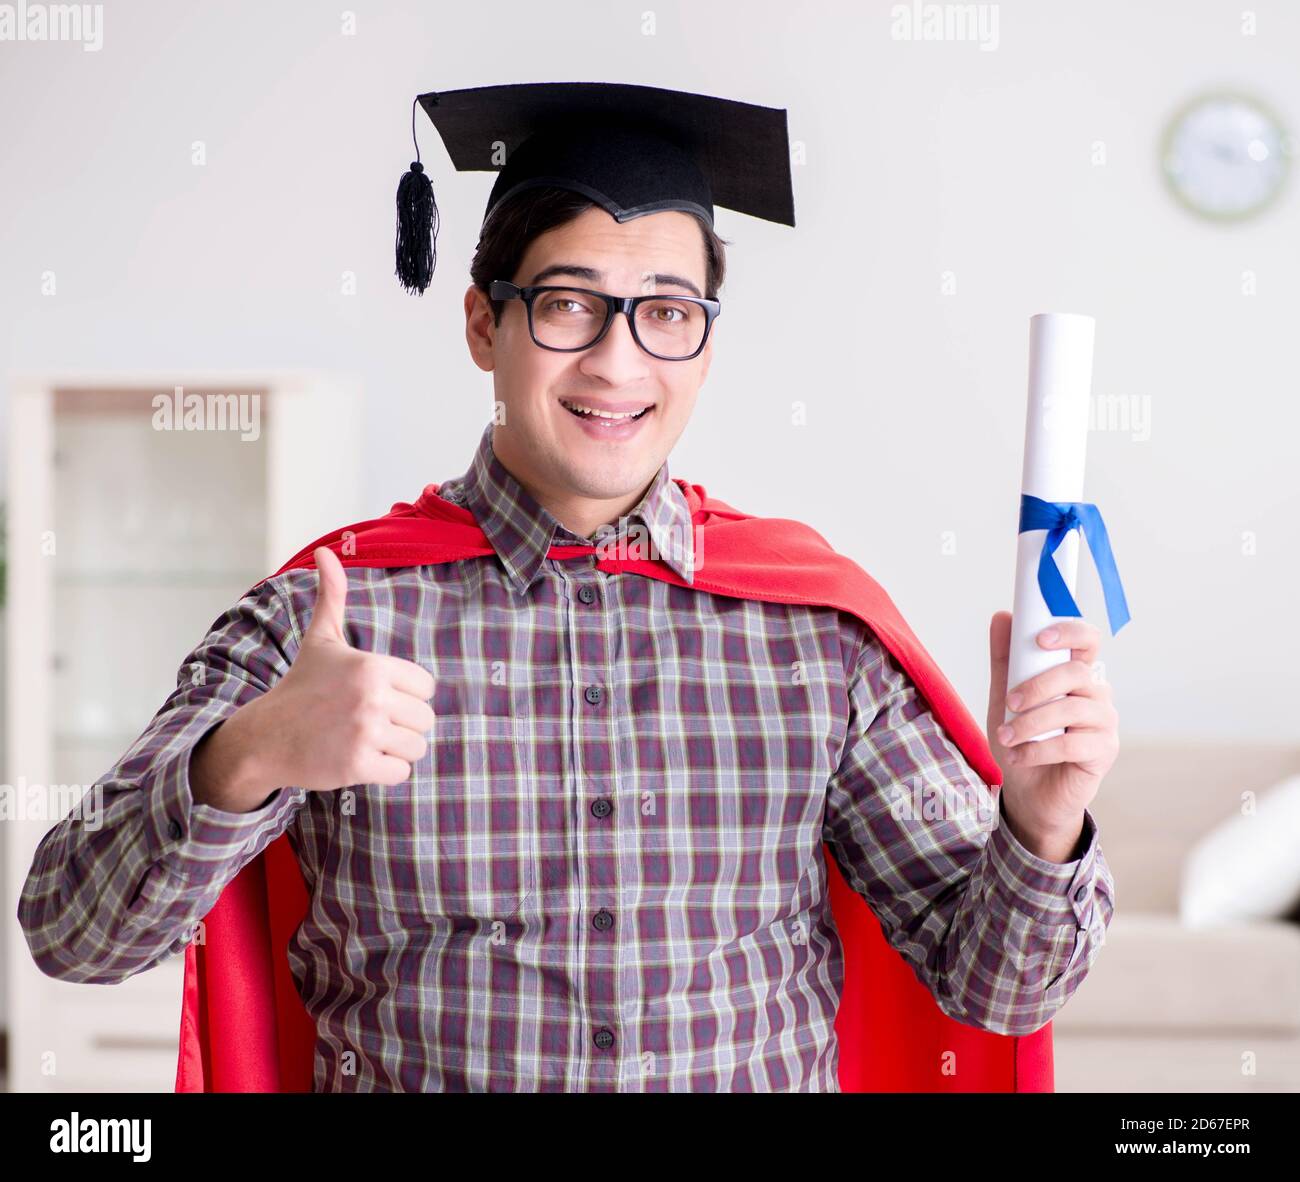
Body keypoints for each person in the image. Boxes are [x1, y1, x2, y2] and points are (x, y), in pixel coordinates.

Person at [18, 82, 1117, 1092]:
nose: (617, 363)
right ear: (482, 324)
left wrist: (1040, 819)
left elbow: (998, 993)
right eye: (567, 305)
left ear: (704, 343)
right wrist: (248, 753)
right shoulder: (326, 620)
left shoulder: (817, 635)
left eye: (667, 312)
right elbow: (71, 935)